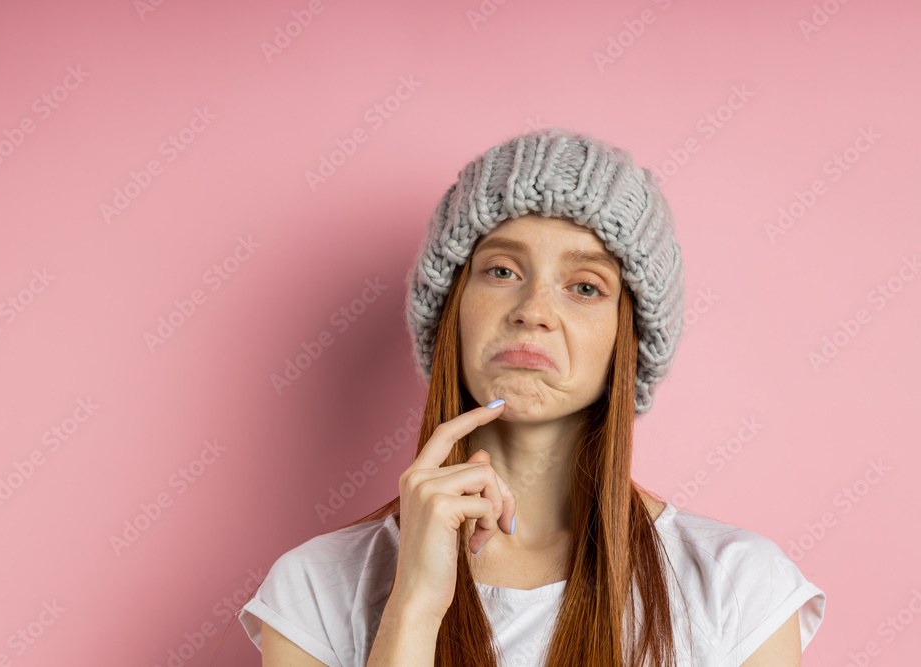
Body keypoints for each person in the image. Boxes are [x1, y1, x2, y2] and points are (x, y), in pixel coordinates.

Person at [231, 127, 826, 666]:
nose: (533, 312)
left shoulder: (740, 587)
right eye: (502, 272)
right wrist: (413, 606)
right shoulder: (315, 586)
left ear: (628, 340)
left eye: (585, 286)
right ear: (451, 311)